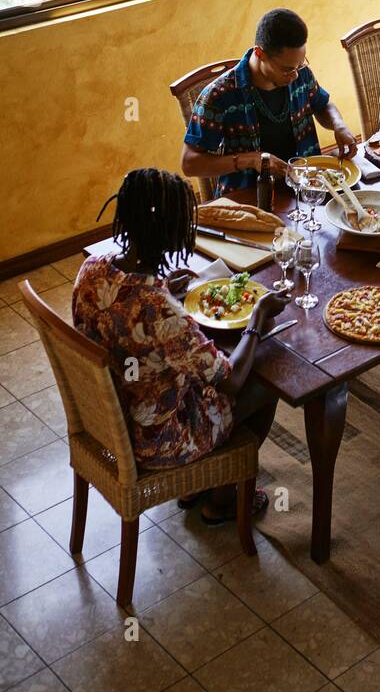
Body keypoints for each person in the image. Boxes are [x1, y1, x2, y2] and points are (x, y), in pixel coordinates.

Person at [72, 168, 288, 525]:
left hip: (113, 417)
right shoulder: (161, 312)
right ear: (167, 233)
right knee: (266, 381)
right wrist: (256, 319)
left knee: (216, 372)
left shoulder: (93, 270)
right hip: (158, 440)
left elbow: (129, 319)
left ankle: (197, 488)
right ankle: (222, 498)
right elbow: (229, 380)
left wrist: (164, 289)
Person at [181, 8, 357, 197]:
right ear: (260, 53)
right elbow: (190, 163)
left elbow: (322, 105)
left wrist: (338, 125)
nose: (295, 75)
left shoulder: (300, 75)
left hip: (308, 188)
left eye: (300, 65)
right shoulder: (220, 95)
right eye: (286, 69)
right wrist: (252, 160)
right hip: (249, 197)